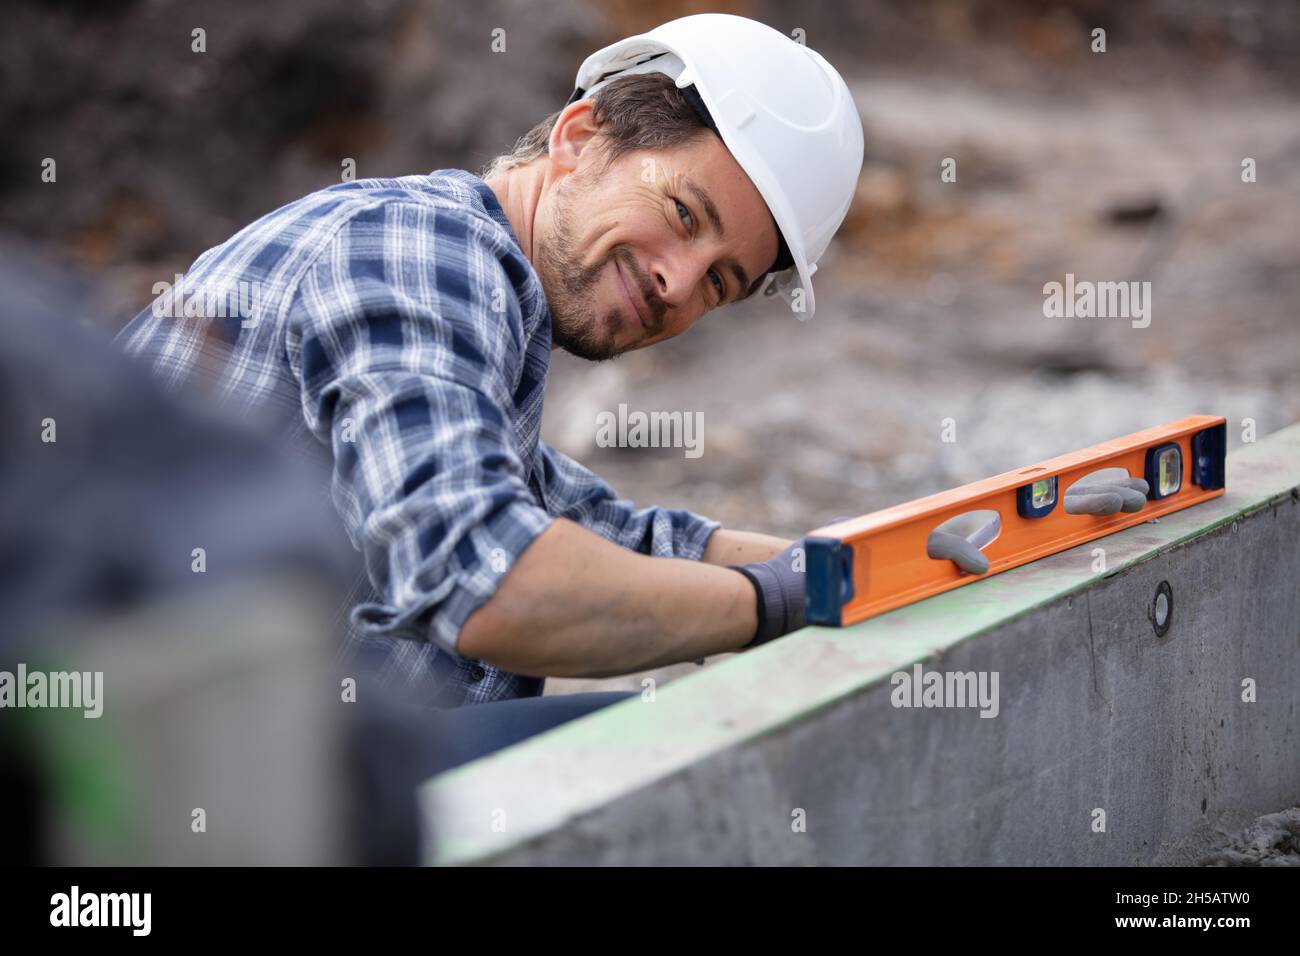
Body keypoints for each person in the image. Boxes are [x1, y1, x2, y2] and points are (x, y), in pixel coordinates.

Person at [116, 14, 866, 777]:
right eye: (683, 213)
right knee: (709, 759)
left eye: (718, 280)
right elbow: (483, 577)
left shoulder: (473, 298)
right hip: (155, 796)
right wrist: (767, 605)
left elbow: (596, 529)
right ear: (580, 138)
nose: (679, 283)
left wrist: (859, 570)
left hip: (214, 769)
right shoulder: (422, 250)